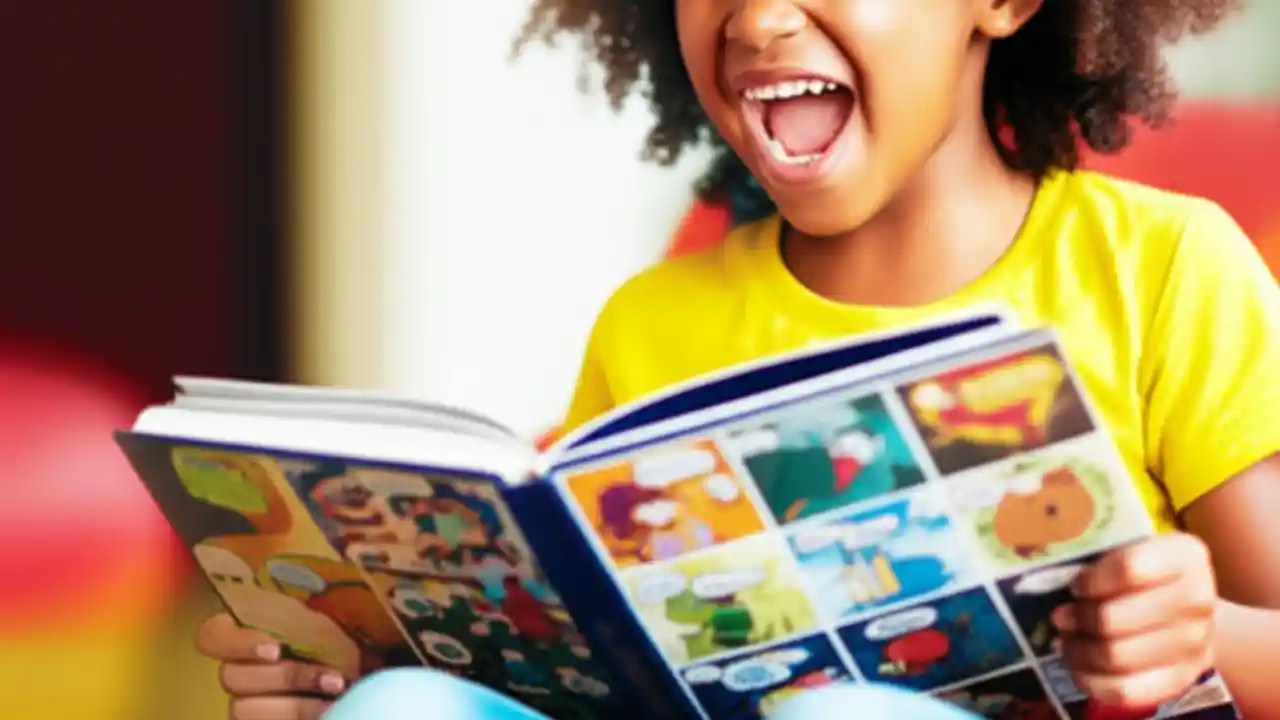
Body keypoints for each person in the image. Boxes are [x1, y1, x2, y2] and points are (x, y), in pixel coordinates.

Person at [196, 0, 1280, 718]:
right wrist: (348, 665)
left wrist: (1194, 633)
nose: (758, 15)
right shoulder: (651, 321)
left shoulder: (1161, 268)